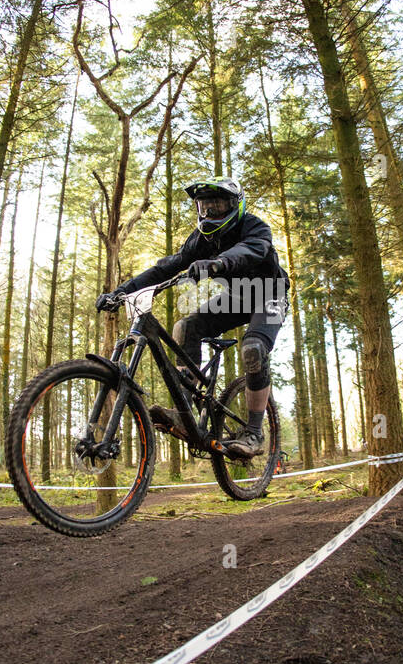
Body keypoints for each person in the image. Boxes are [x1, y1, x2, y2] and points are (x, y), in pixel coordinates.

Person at [96, 176, 289, 458]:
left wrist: (218, 262)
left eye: (218, 206)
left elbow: (250, 250)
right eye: (205, 207)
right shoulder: (201, 240)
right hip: (237, 298)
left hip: (269, 293)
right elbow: (165, 268)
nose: (211, 213)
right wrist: (121, 291)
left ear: (236, 205)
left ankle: (254, 432)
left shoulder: (254, 226)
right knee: (186, 326)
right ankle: (184, 408)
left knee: (253, 349)